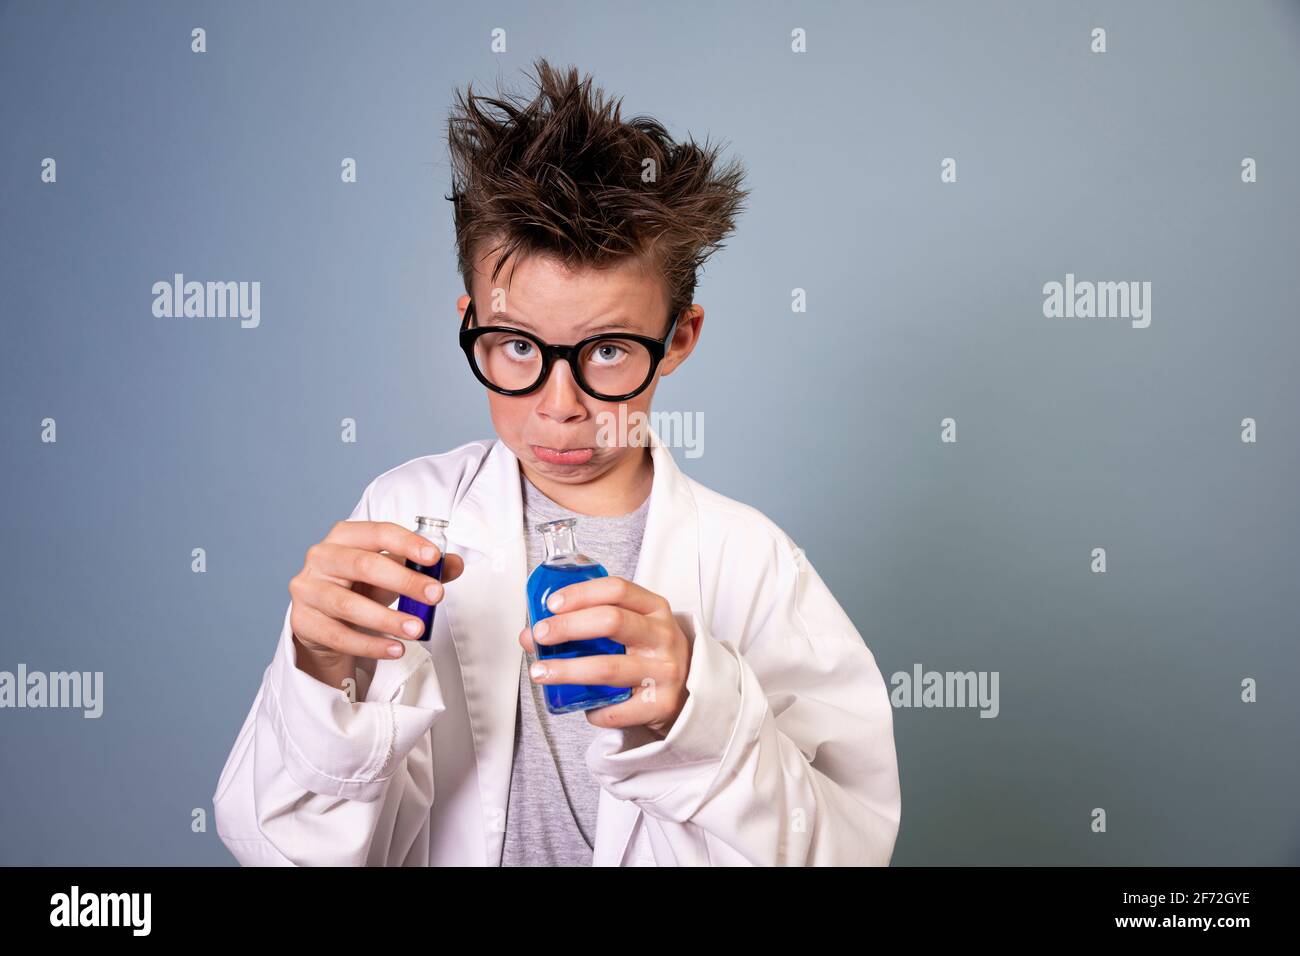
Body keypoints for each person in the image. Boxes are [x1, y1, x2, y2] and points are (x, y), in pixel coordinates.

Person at [212, 57, 900, 866]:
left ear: (679, 337)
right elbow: (269, 842)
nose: (560, 404)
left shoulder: (755, 567)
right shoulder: (402, 515)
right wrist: (321, 673)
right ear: (470, 322)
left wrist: (700, 712)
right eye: (516, 346)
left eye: (608, 349)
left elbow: (847, 850)